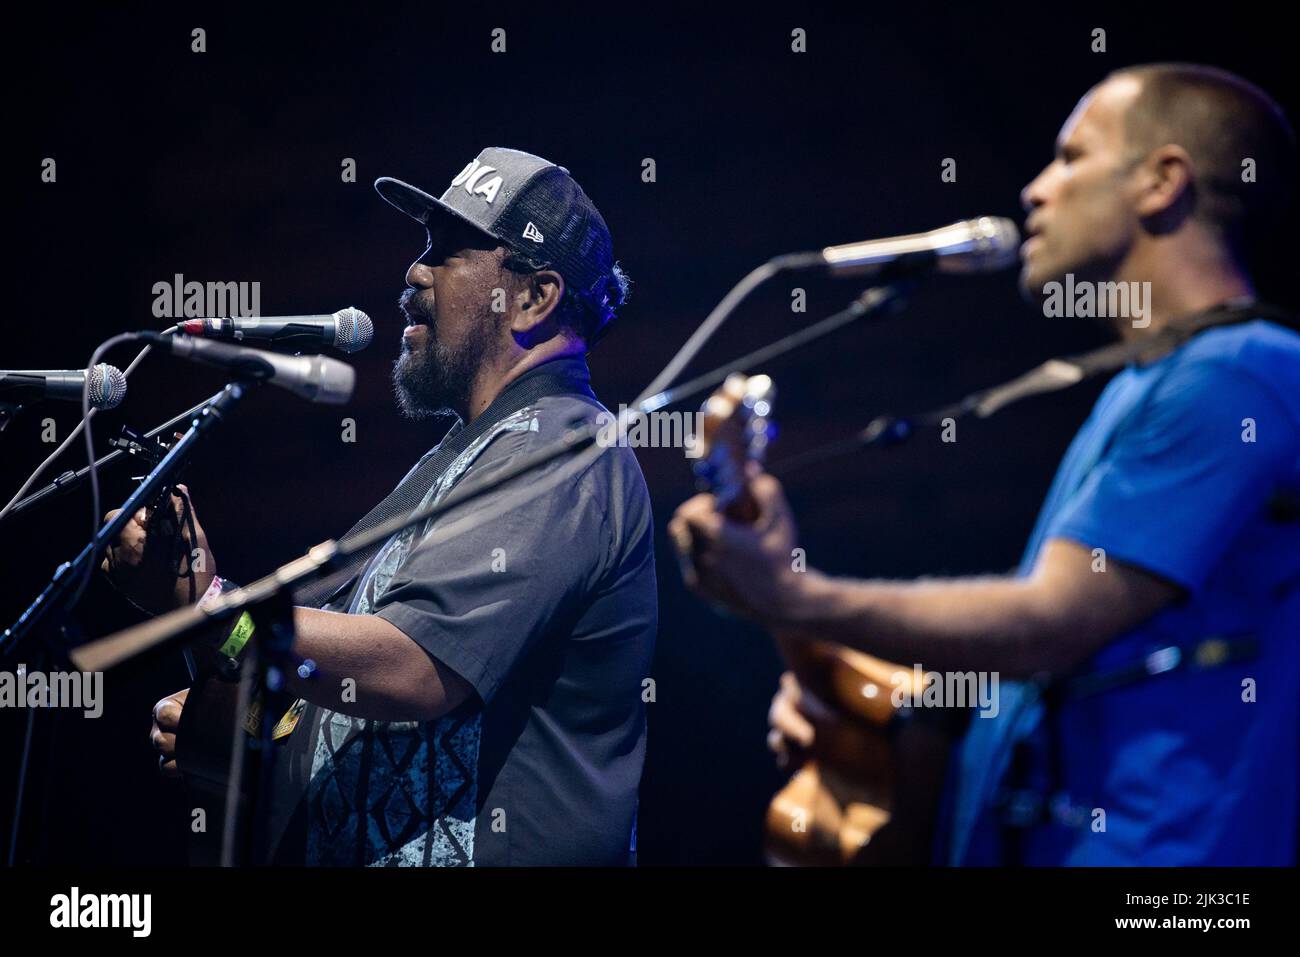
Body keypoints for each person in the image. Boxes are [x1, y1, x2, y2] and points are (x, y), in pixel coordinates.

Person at [670, 64, 1299, 865]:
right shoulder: (1152, 385)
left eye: (1072, 158)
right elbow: (1080, 665)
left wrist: (798, 597)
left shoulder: (1235, 376)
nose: (1036, 189)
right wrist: (883, 709)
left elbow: (1052, 622)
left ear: (1161, 182)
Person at [109, 147, 658, 866]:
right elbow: (327, 694)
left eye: (451, 248)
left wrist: (213, 610)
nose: (414, 271)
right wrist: (234, 728)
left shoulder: (564, 446)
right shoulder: (456, 463)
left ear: (533, 297)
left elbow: (414, 668)